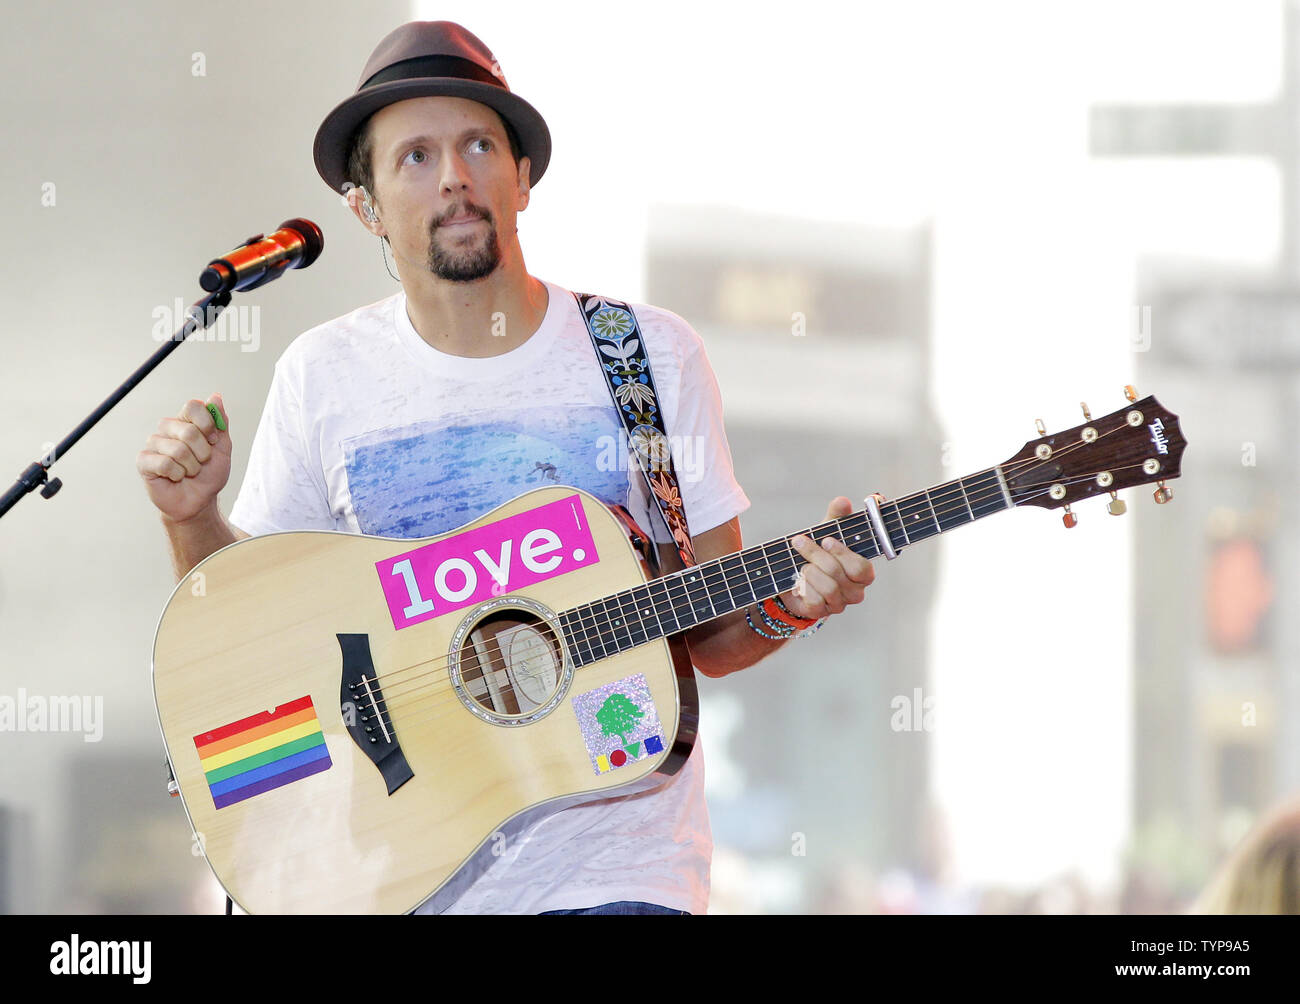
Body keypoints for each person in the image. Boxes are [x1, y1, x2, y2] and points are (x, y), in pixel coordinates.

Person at [136, 20, 875, 915]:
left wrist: (791, 605)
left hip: (616, 873)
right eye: (414, 156)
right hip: (395, 876)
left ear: (520, 177)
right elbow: (244, 641)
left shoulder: (646, 356)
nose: (454, 174)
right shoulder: (322, 374)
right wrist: (191, 515)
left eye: (480, 144)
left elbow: (709, 639)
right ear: (364, 205)